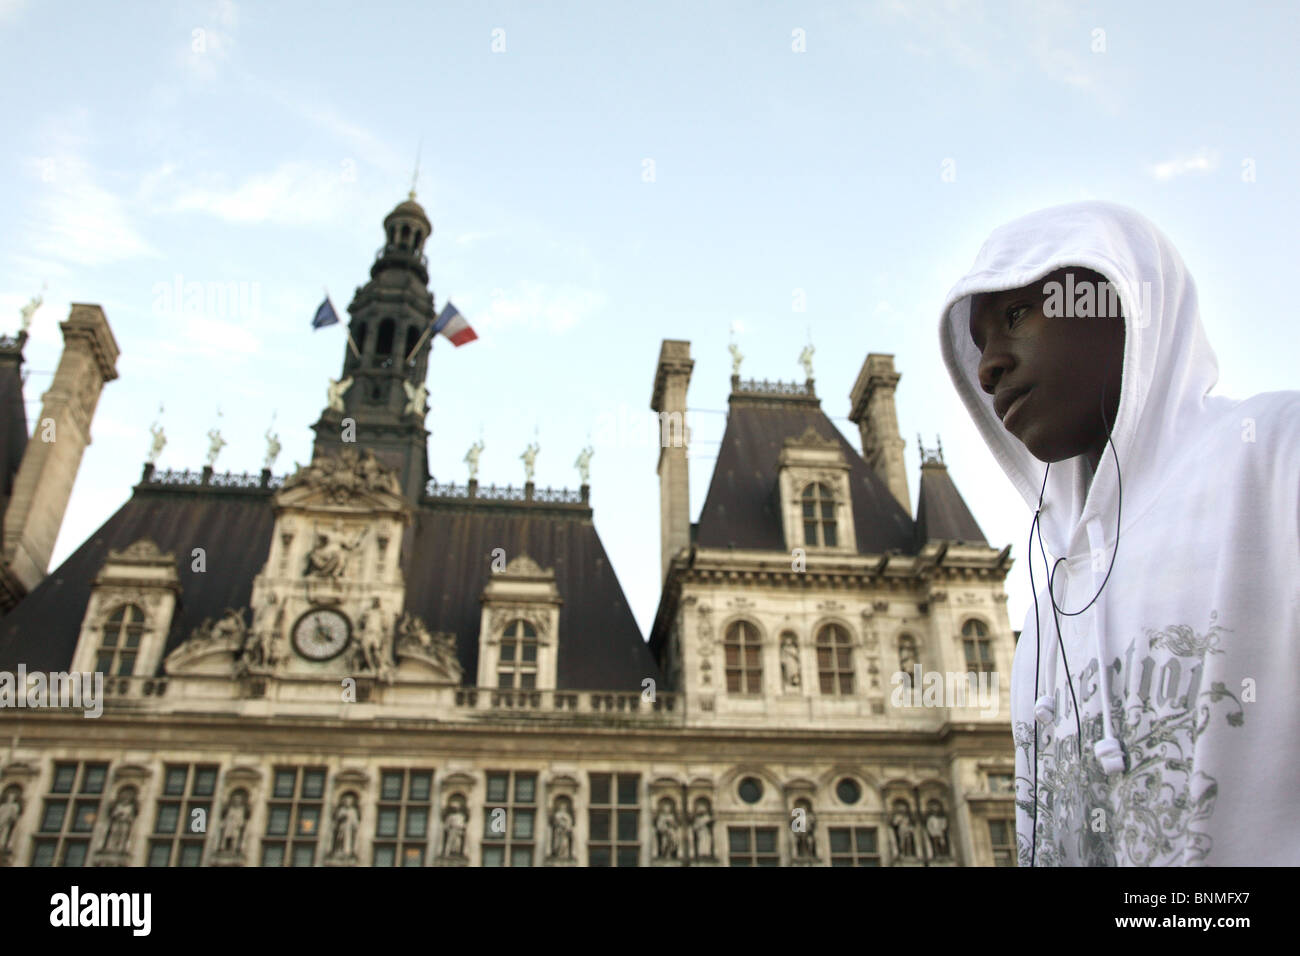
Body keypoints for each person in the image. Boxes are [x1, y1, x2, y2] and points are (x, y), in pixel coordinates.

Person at [938, 201, 1300, 866]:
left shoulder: (1276, 455)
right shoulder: (1044, 622)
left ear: (1119, 297)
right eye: (982, 344)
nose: (988, 368)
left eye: (1016, 316)